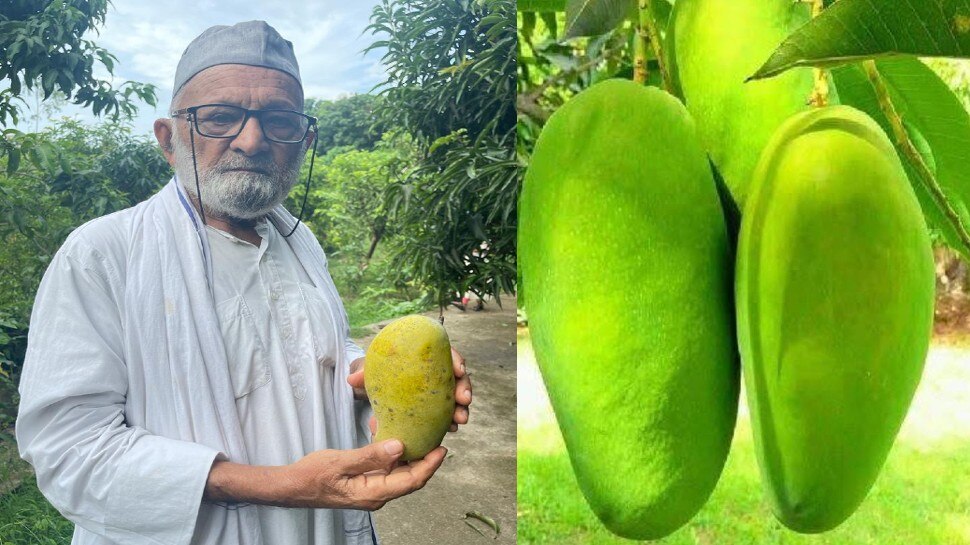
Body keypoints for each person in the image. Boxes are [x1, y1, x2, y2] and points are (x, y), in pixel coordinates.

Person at [15, 20, 472, 545]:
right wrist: (277, 485)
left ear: (305, 140)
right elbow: (68, 448)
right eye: (219, 118)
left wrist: (369, 379)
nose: (252, 140)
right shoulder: (103, 254)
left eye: (279, 121)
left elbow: (309, 352)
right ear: (168, 139)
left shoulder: (301, 242)